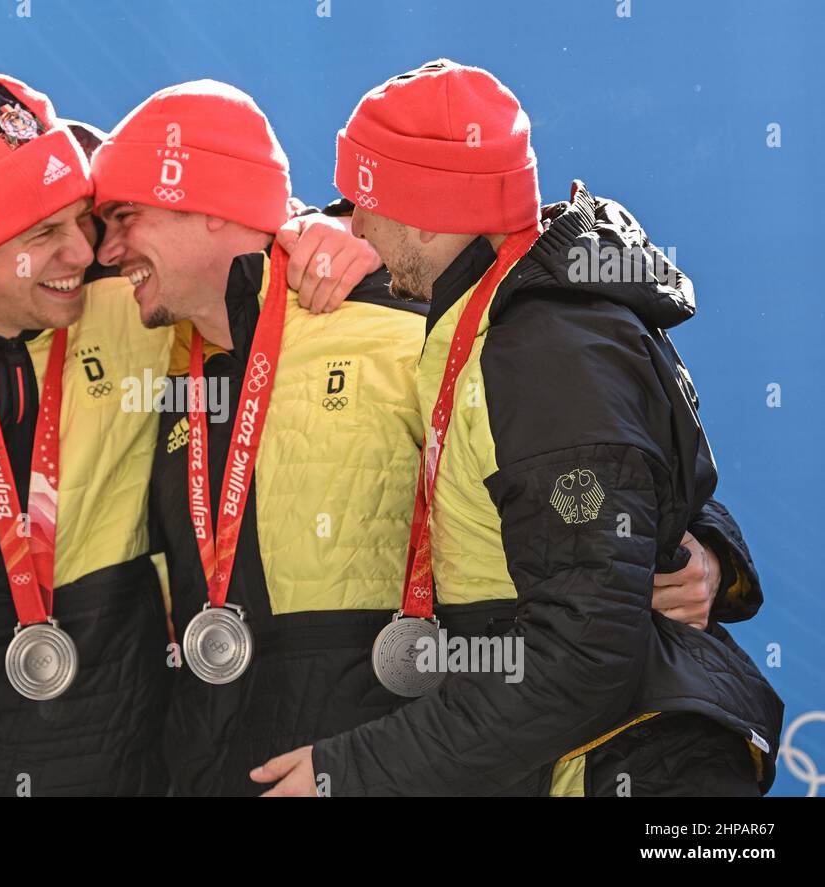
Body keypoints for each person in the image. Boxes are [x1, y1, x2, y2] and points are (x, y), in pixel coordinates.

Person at [257, 59, 782, 797]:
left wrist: (351, 771)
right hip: (585, 750)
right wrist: (709, 555)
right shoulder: (506, 311)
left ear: (429, 209)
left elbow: (582, 654)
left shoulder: (542, 346)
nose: (355, 221)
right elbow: (637, 486)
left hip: (637, 761)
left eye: (365, 197)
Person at [0, 73, 378, 796]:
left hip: (129, 753)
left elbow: (224, 242)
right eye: (44, 233)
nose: (86, 252)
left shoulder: (131, 307)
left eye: (84, 219)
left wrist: (322, 230)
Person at [92, 80, 430, 795]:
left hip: (372, 769)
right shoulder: (155, 358)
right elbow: (0, 204)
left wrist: (705, 548)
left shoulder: (399, 322)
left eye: (124, 216)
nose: (107, 249)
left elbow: (567, 423)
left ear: (211, 206)